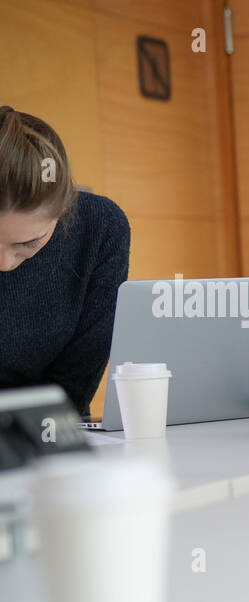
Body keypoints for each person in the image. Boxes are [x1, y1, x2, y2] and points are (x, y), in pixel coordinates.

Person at [0, 106, 130, 418]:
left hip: (47, 433)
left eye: (29, 243)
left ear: (65, 209)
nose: (4, 264)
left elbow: (72, 389)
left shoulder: (99, 229)